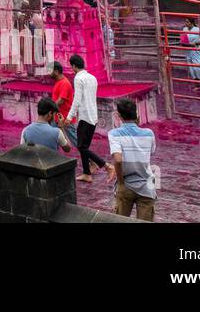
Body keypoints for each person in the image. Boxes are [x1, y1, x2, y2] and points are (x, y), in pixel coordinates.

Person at [108, 97, 157, 221]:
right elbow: (150, 152)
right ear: (136, 114)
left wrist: (120, 183)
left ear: (118, 115)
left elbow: (118, 160)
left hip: (126, 184)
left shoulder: (114, 134)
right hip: (146, 185)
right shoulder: (149, 133)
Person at [65, 54, 108, 182]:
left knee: (82, 147)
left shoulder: (78, 79)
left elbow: (77, 100)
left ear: (73, 66)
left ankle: (104, 165)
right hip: (93, 116)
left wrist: (69, 117)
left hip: (84, 117)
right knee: (83, 147)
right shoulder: (92, 78)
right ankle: (87, 173)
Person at [50, 60, 75, 142]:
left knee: (75, 140)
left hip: (64, 118)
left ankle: (85, 153)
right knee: (53, 139)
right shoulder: (59, 82)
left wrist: (49, 107)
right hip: (57, 117)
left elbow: (61, 100)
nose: (48, 73)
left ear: (56, 71)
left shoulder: (64, 83)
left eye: (50, 71)